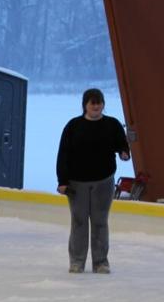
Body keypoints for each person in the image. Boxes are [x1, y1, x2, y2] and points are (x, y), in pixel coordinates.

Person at [56, 88, 130, 273]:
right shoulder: (73, 126)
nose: (96, 106)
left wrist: (124, 152)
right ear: (85, 105)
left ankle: (101, 262)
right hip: (76, 184)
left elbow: (122, 144)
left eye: (99, 102)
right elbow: (63, 154)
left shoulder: (112, 125)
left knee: (100, 221)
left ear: (103, 104)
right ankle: (77, 261)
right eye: (92, 103)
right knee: (79, 221)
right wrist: (62, 181)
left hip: (103, 182)